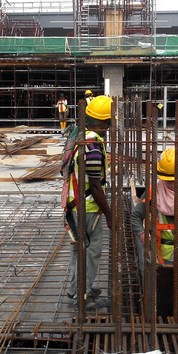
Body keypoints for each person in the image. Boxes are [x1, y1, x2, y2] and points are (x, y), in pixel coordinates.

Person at [64, 94, 113, 310]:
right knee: (92, 252)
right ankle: (81, 298)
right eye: (109, 122)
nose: (111, 126)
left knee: (78, 250)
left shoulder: (82, 136)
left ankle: (76, 289)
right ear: (103, 122)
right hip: (88, 209)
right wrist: (109, 214)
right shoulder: (93, 147)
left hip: (76, 205)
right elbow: (94, 186)